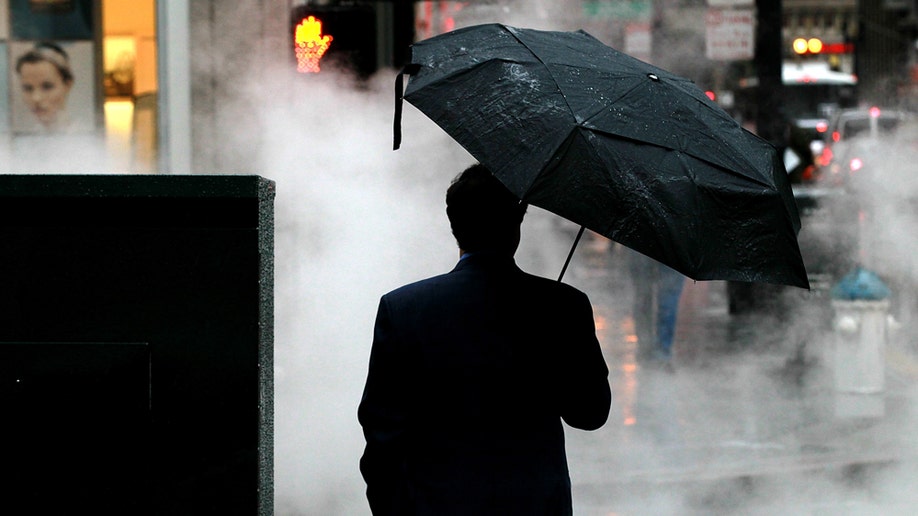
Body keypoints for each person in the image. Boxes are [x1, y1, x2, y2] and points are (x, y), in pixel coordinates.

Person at [358, 164, 612, 515]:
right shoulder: (563, 306)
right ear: (517, 225)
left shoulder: (402, 309)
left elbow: (383, 437)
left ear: (454, 225)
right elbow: (590, 414)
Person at [626, 248, 685, 366]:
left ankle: (645, 348)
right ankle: (662, 351)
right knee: (669, 297)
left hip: (641, 242)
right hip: (675, 246)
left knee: (643, 295)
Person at [15, 42, 74, 132]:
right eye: (28, 88)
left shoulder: (84, 136)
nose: (36, 98)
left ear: (67, 85)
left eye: (47, 87)